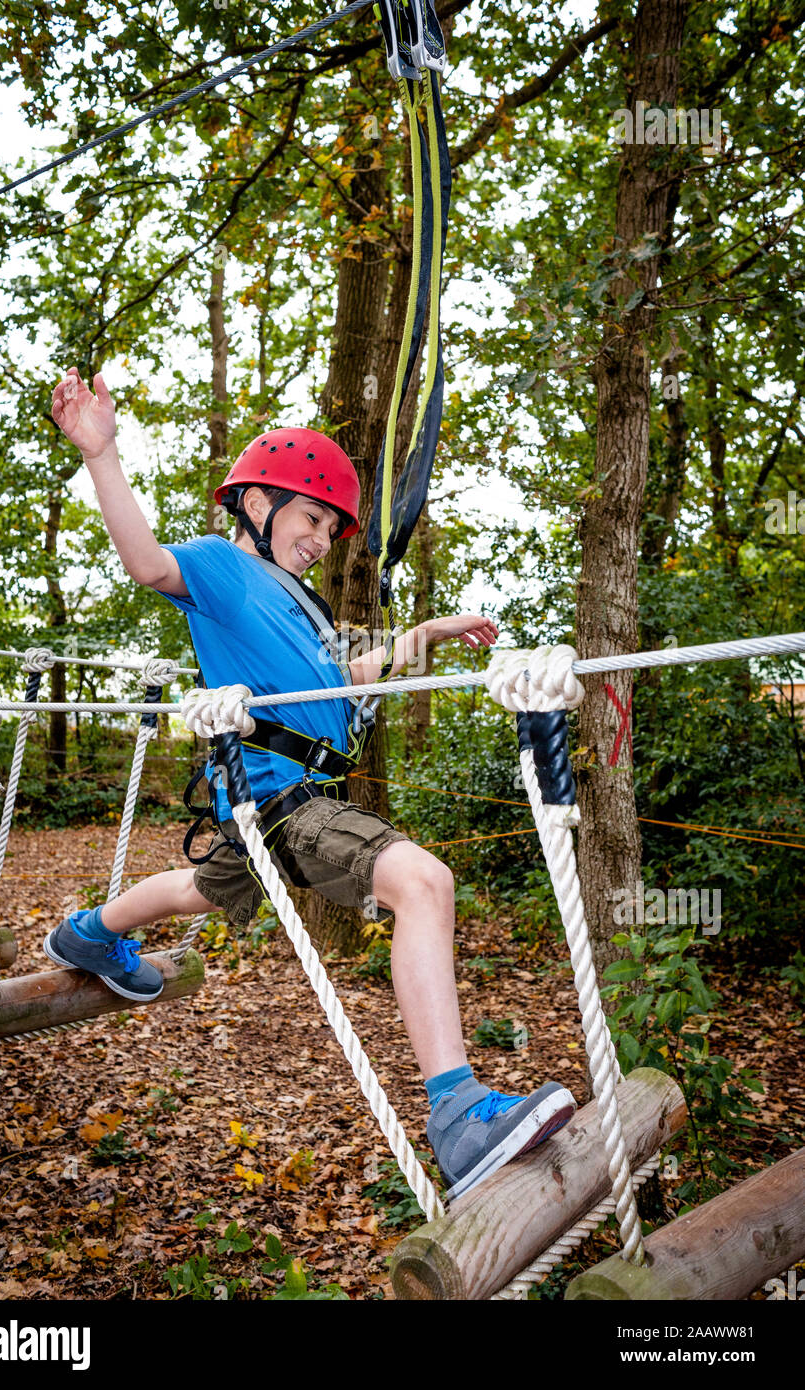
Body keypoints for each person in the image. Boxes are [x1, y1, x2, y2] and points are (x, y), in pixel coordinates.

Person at [47, 366, 575, 1201]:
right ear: (257, 505)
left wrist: (429, 632)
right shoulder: (223, 568)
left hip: (264, 810)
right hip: (283, 804)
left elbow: (349, 677)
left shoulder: (301, 606)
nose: (324, 538)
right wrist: (101, 453)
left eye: (332, 527)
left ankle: (87, 934)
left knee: (199, 888)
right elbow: (146, 564)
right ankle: (459, 1113)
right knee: (424, 883)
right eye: (312, 517)